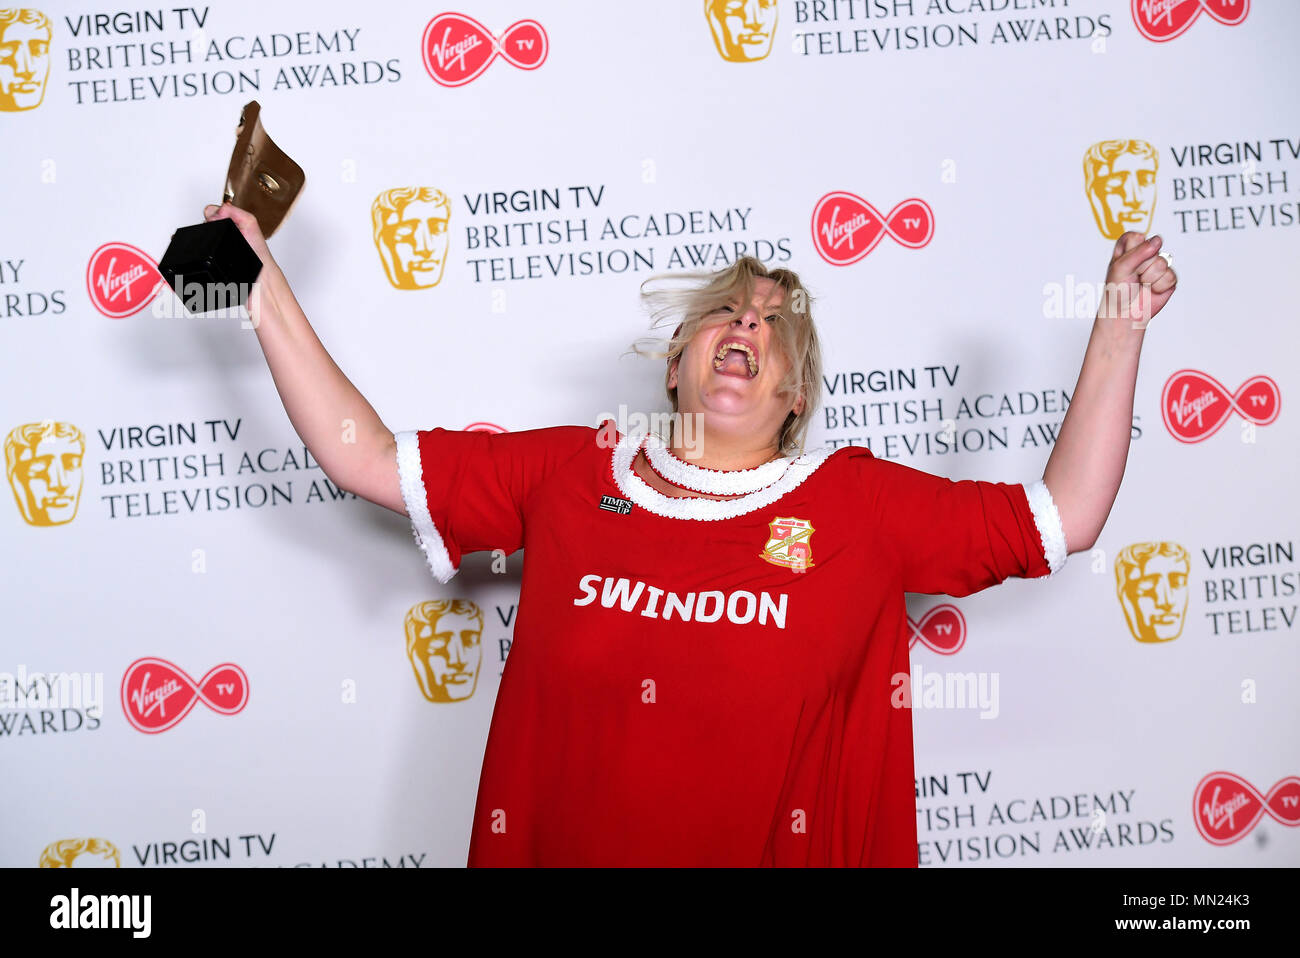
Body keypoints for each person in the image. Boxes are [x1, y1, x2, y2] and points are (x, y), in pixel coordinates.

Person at [202, 199, 1177, 865]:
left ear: (793, 393)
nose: (745, 325)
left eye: (773, 323)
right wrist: (257, 286)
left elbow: (1065, 514)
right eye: (723, 311)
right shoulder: (575, 472)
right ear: (678, 363)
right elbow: (363, 455)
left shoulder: (858, 505)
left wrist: (1118, 328)